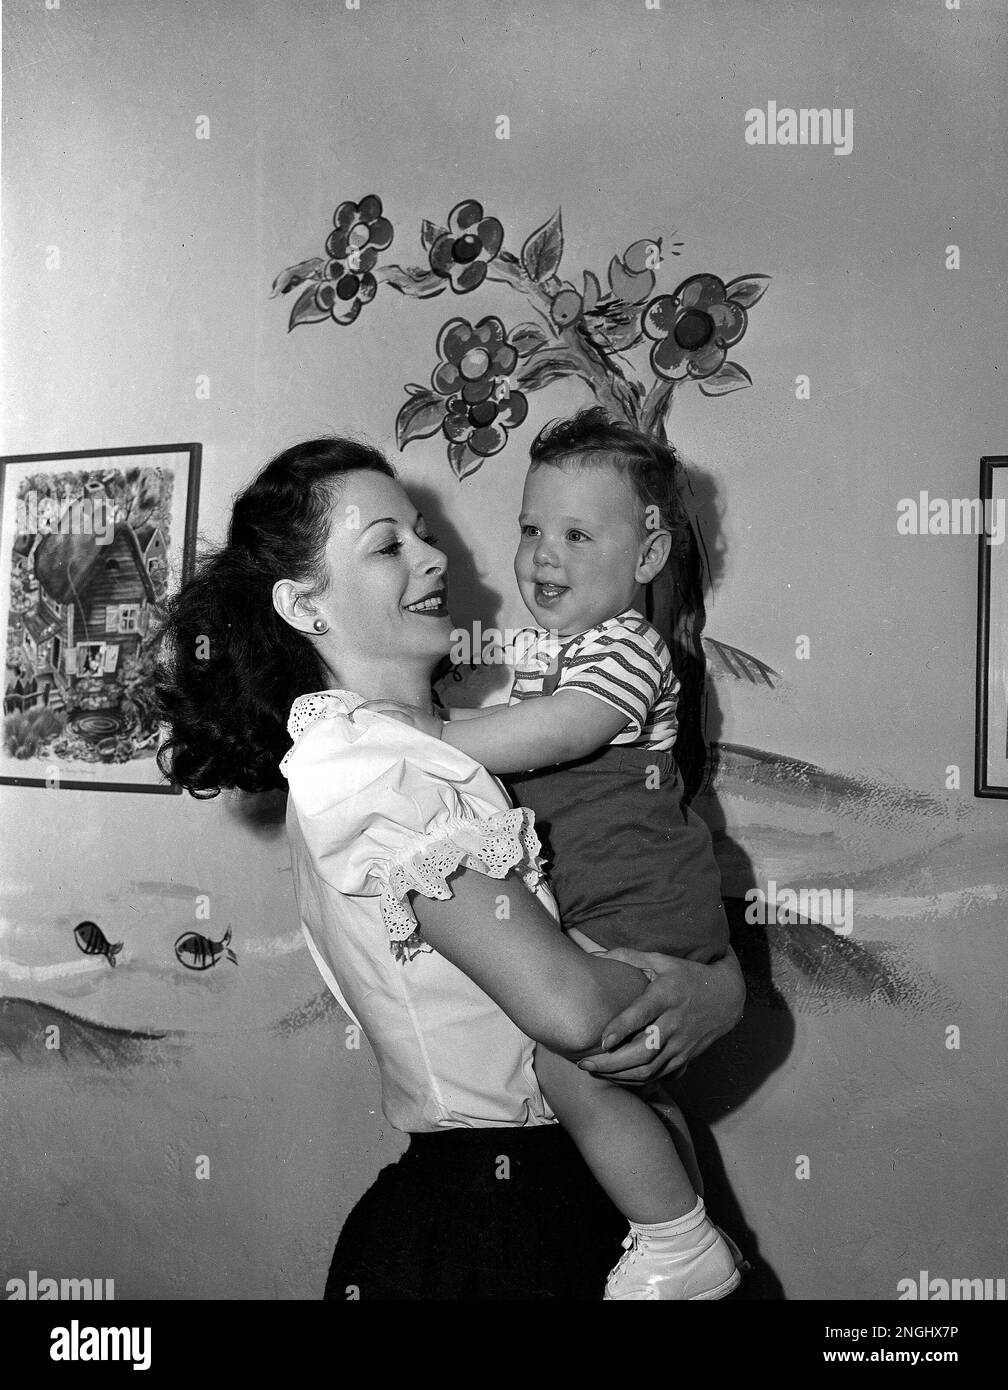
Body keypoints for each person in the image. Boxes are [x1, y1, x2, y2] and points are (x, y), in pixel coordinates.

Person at [153, 436, 746, 1300]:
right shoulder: (376, 773)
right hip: (494, 1231)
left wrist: (716, 991)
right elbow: (573, 1010)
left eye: (421, 532)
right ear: (303, 604)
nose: (436, 557)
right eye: (389, 544)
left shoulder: (455, 753)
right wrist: (708, 992)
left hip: (582, 1187)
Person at [374, 409, 741, 1299]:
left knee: (565, 1059)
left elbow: (563, 731)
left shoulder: (626, 649)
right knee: (632, 1090)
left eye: (578, 533)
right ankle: (682, 1235)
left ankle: (679, 1239)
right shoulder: (551, 654)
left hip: (637, 895)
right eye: (532, 528)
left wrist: (432, 735)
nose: (543, 554)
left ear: (648, 558)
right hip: (599, 900)